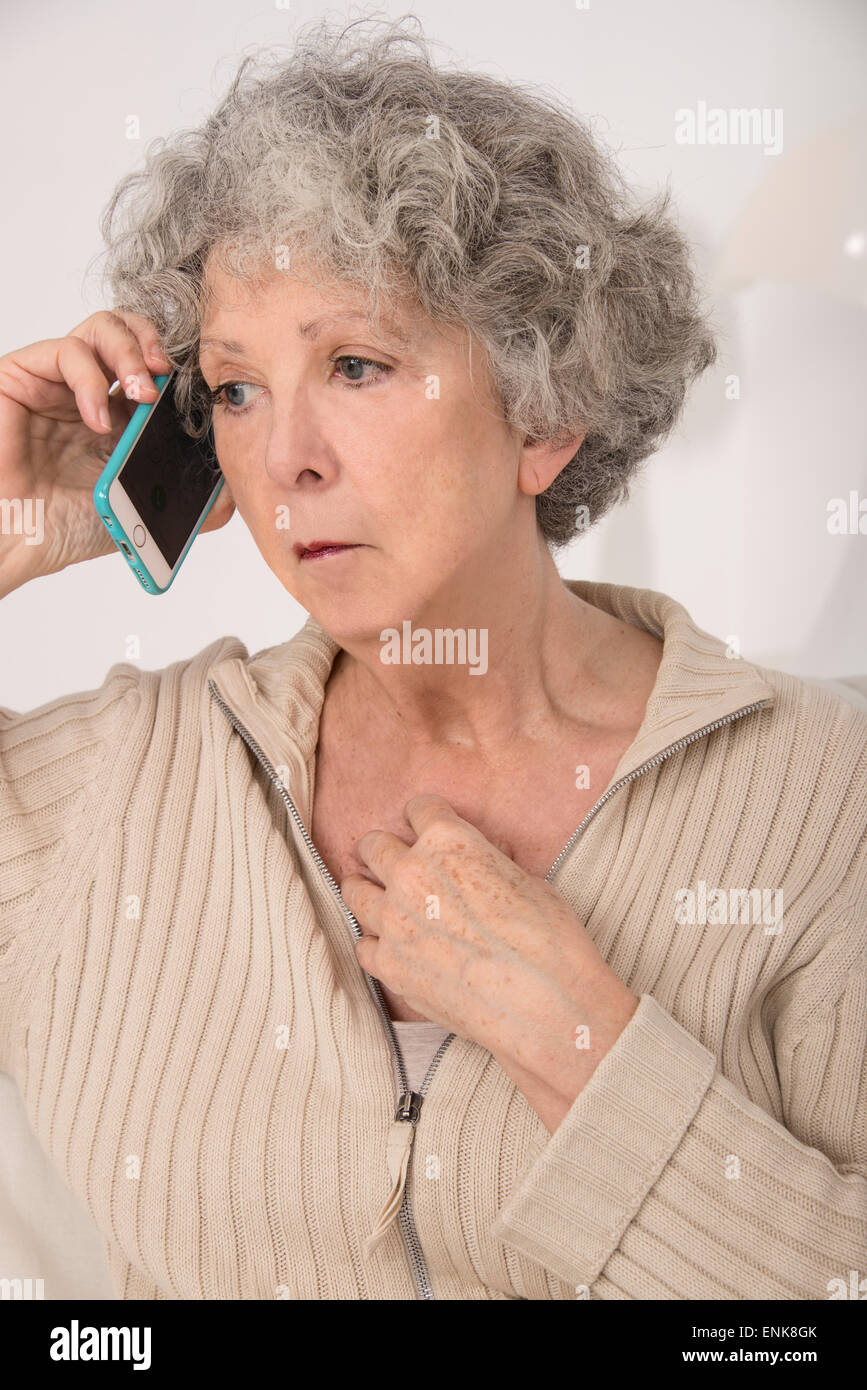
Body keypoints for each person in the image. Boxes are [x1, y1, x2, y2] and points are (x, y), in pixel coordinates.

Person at [0, 14, 864, 1301]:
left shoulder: (823, 790)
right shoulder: (110, 786)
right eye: (234, 389)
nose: (288, 454)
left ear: (547, 413)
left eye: (356, 364)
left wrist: (583, 1044)